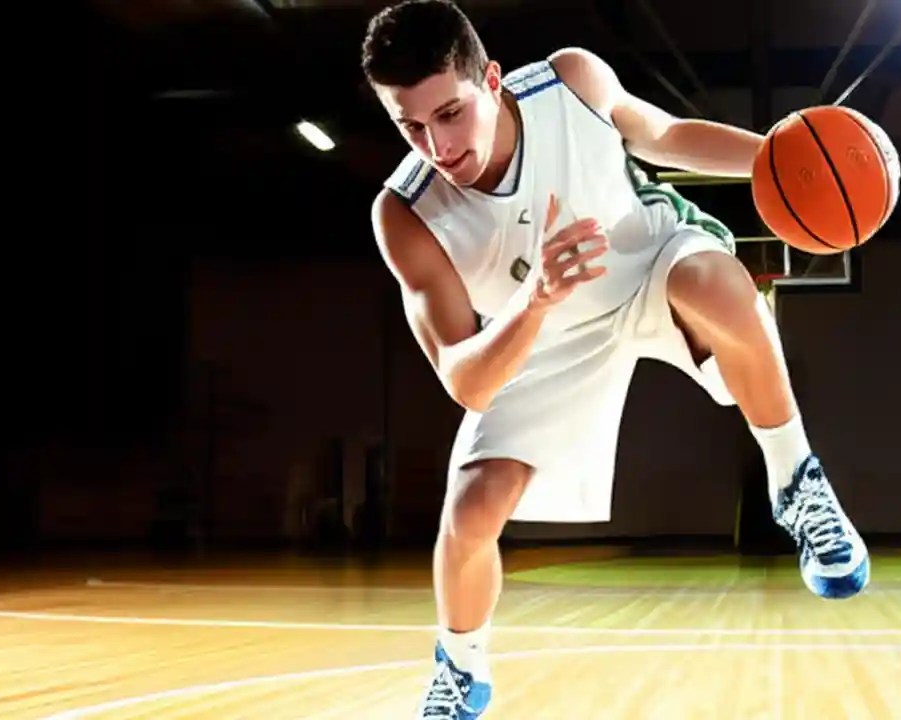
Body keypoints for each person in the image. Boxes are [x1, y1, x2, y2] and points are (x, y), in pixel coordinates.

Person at [361, 1, 873, 716]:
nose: (437, 145)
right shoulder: (405, 214)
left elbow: (662, 135)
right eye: (409, 126)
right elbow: (463, 378)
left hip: (643, 265)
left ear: (494, 81)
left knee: (721, 286)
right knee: (472, 514)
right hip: (536, 333)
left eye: (450, 113)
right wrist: (535, 300)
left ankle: (796, 481)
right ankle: (462, 668)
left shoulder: (570, 83)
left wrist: (779, 159)